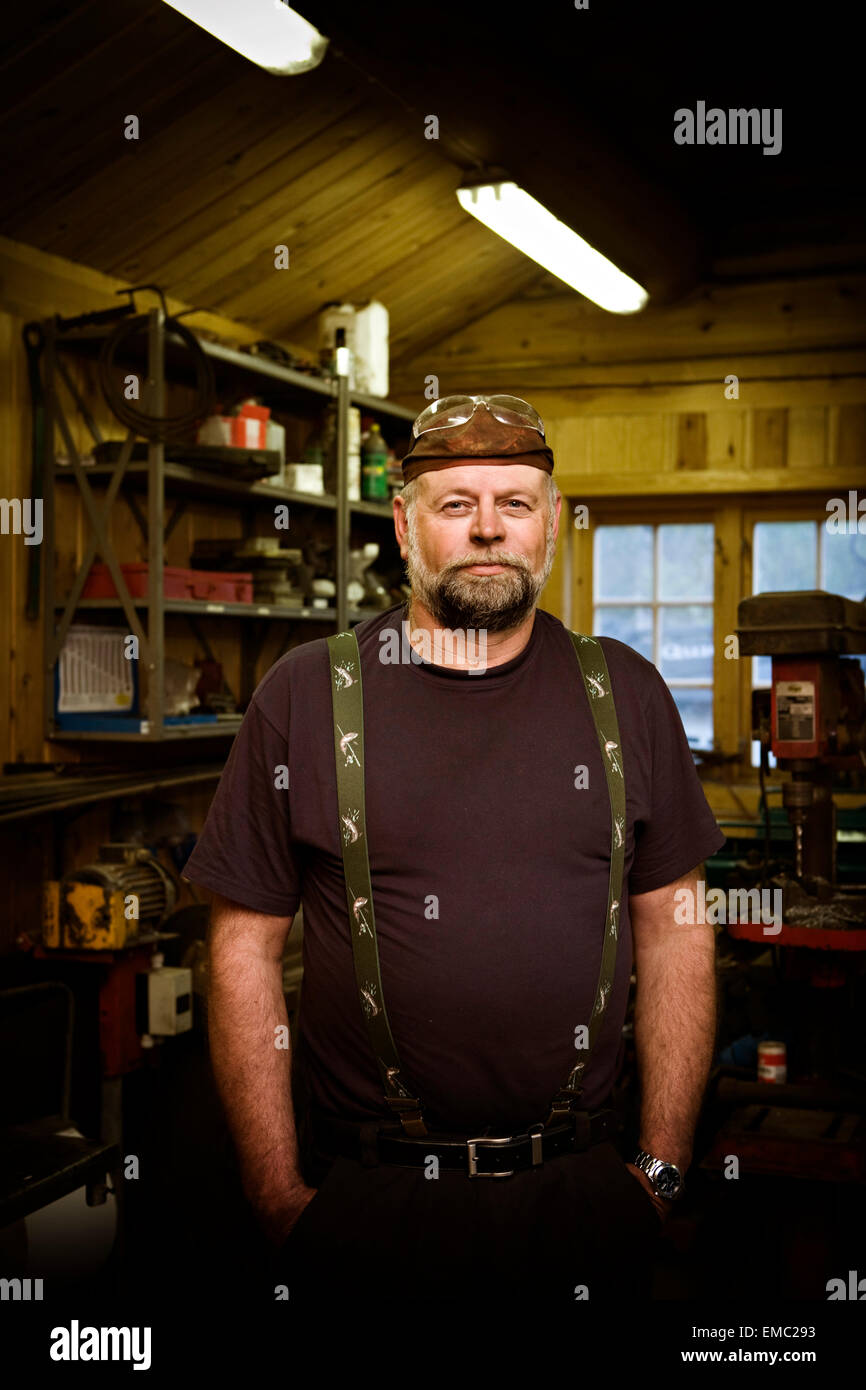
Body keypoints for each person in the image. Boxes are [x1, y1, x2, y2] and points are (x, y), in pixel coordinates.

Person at [182, 393, 726, 1310]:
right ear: (405, 523)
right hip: (368, 1198)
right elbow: (240, 952)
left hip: (586, 1193)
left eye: (515, 502)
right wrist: (276, 1193)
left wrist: (662, 1170)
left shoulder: (625, 693)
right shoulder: (306, 696)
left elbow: (677, 932)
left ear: (551, 524)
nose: (488, 529)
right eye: (455, 502)